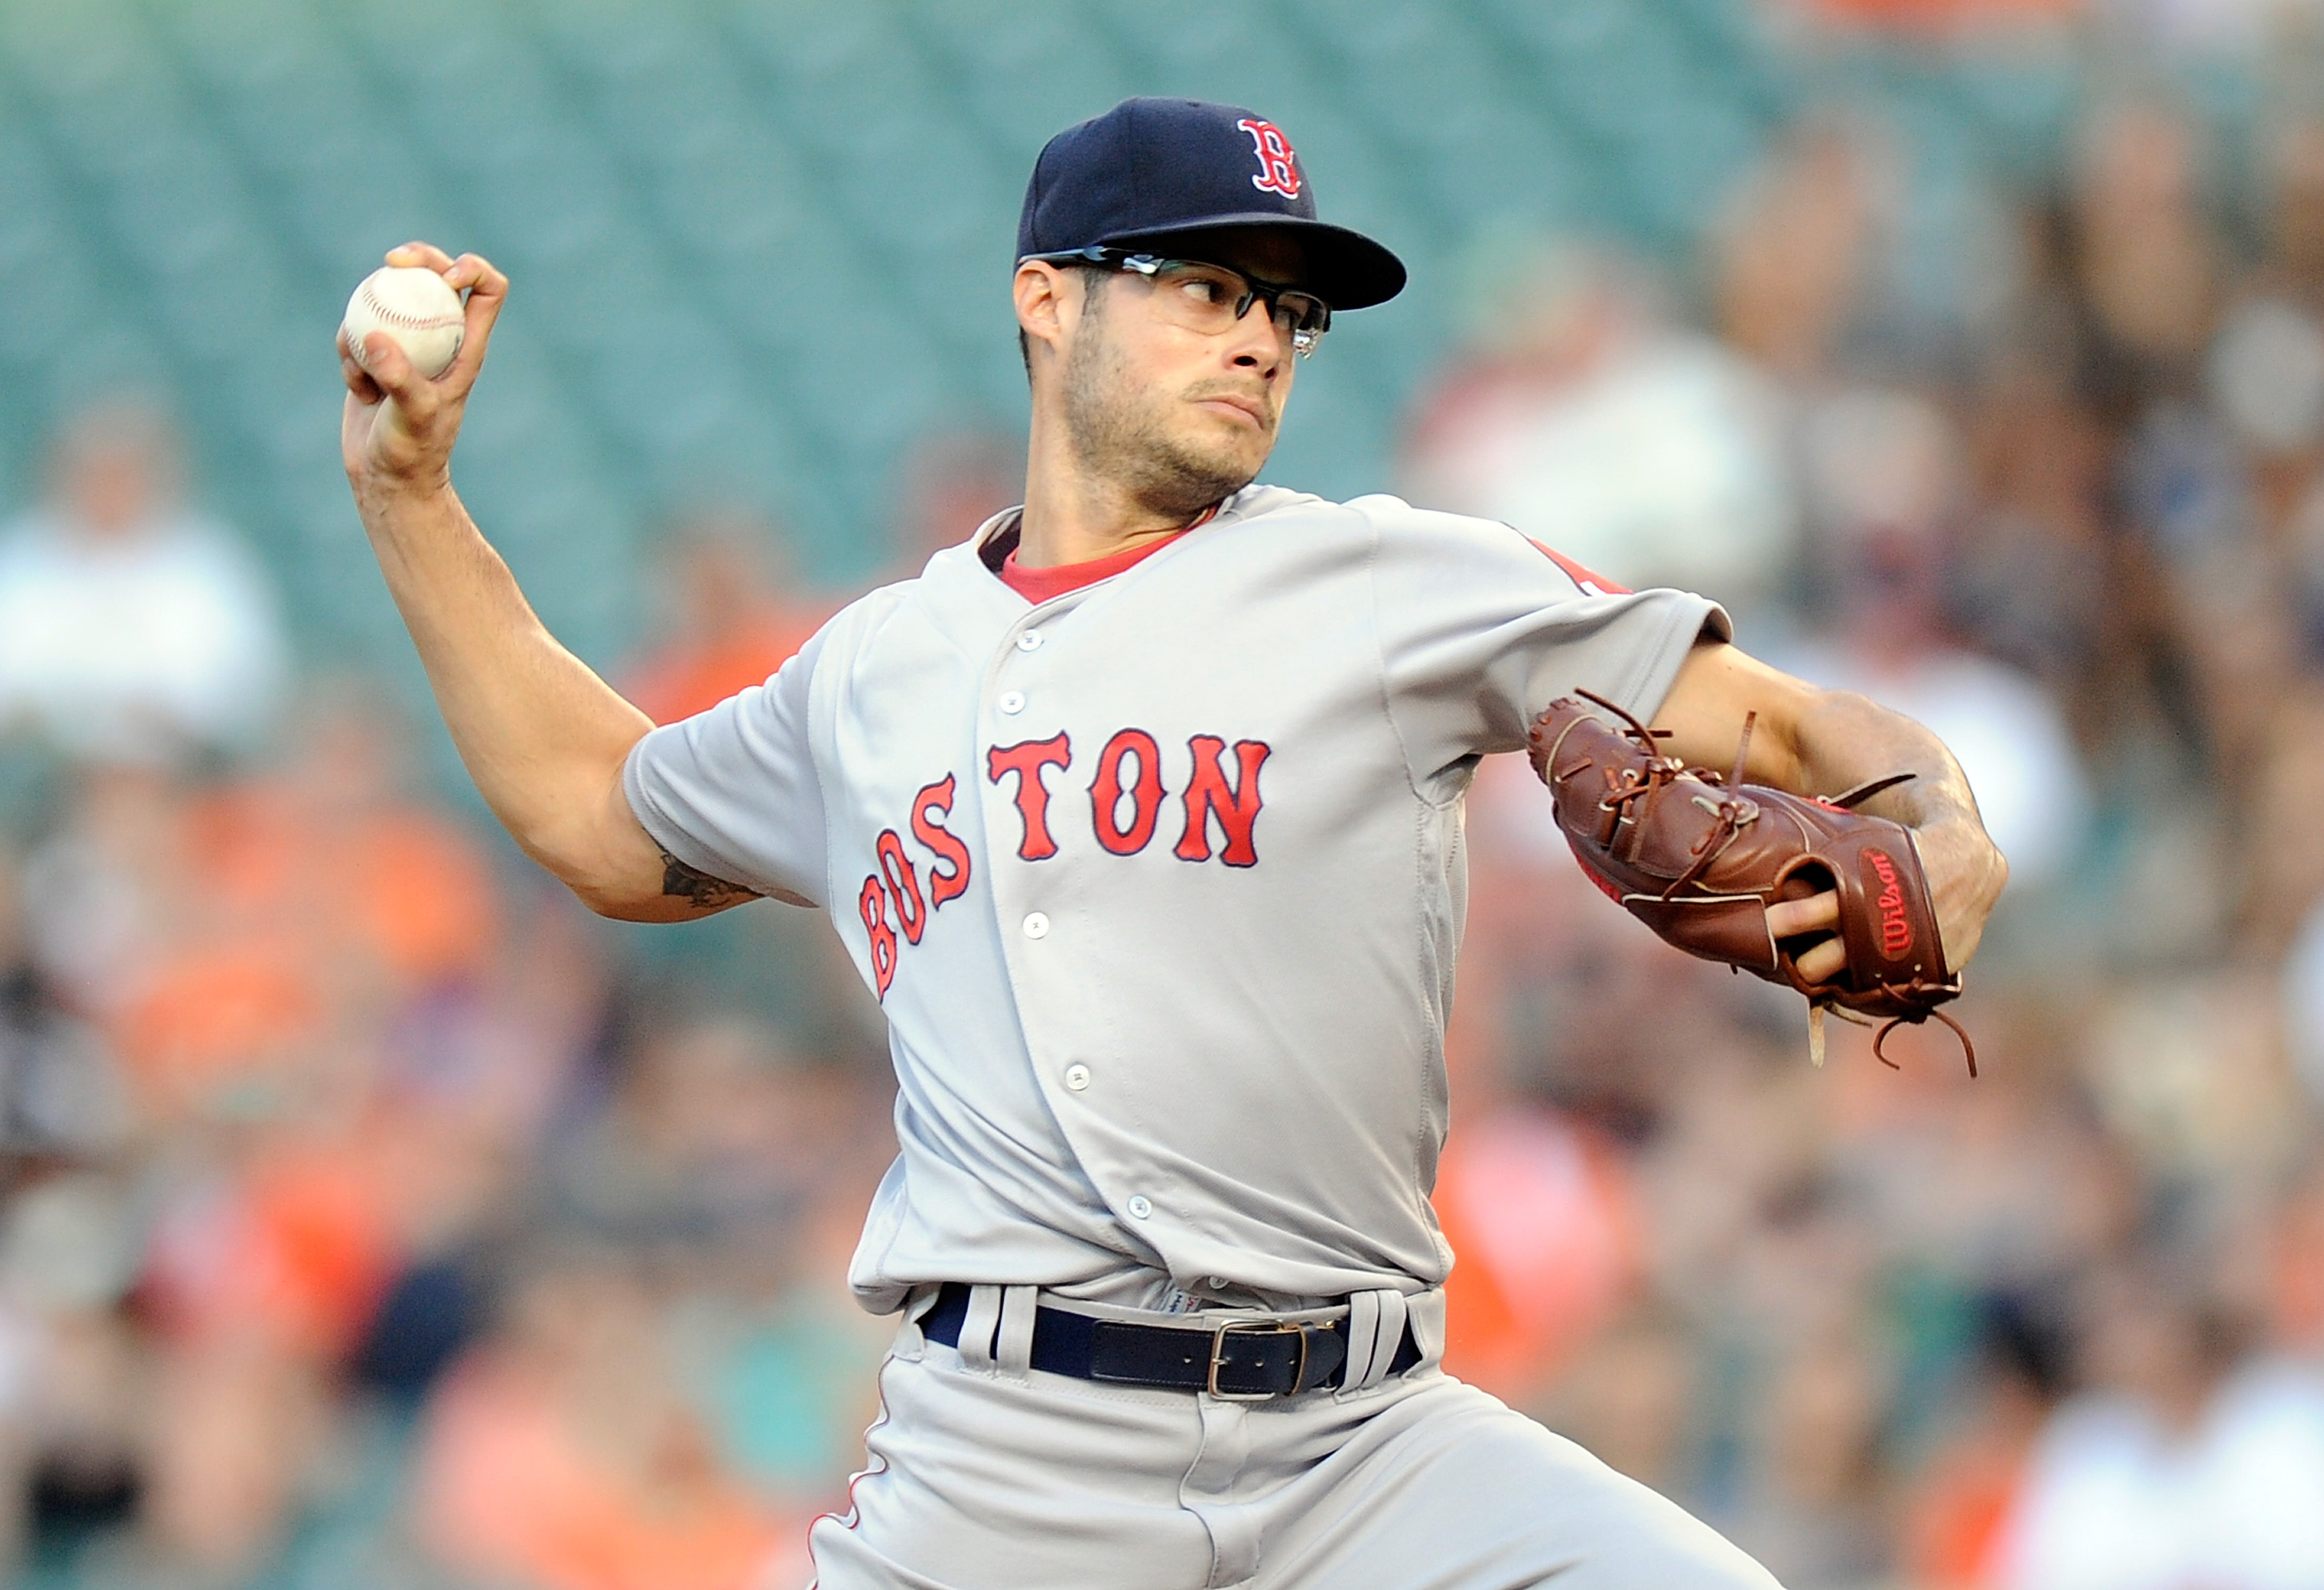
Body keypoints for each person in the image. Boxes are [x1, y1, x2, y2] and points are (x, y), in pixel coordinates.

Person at [338, 97, 2005, 1590]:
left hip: (1368, 1446)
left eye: (1288, 309)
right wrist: (411, 499)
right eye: (1206, 287)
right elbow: (603, 817)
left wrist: (1944, 822)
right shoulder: (871, 674)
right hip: (1009, 1468)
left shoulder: (1390, 582)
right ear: (1046, 298)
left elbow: (1793, 728)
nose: (1262, 338)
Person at [0, 400, 286, 766]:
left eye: (122, 471)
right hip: (42, 774)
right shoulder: (21, 562)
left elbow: (247, 691)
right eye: (94, 471)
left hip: (180, 772)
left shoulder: (210, 566)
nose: (108, 487)